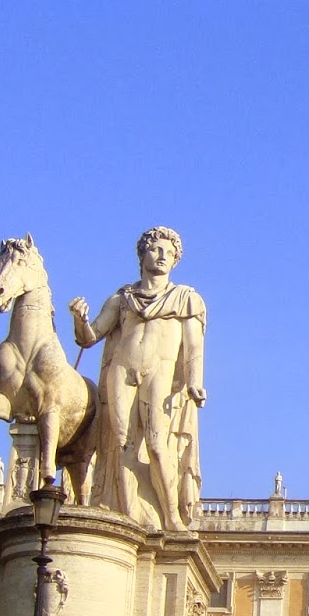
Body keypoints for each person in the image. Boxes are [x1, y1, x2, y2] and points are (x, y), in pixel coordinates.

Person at [69, 226, 206, 531]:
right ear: (142, 254)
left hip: (161, 371)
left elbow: (194, 346)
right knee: (119, 444)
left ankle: (171, 516)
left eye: (168, 254)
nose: (161, 257)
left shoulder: (185, 299)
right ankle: (128, 518)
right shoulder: (122, 298)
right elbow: (89, 337)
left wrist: (195, 381)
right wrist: (79, 319)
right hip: (122, 368)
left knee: (158, 445)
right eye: (156, 250)